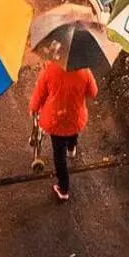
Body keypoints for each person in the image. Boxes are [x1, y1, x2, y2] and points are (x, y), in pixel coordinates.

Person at [29, 52, 98, 201]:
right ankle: (72, 149)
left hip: (56, 120)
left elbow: (39, 95)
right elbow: (93, 92)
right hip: (75, 116)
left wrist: (33, 109)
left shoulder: (50, 70)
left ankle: (64, 188)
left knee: (58, 155)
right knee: (73, 132)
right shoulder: (84, 70)